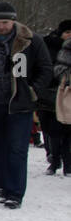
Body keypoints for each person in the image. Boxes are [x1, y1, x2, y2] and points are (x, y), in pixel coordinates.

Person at [0, 1, 52, 209]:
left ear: (13, 20)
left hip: (19, 103)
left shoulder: (31, 41)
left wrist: (32, 91)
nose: (1, 26)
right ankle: (0, 185)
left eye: (5, 22)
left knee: (17, 148)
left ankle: (15, 191)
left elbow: (46, 68)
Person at [38, 19, 71, 175]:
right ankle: (53, 157)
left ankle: (65, 162)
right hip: (49, 94)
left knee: (66, 130)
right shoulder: (47, 45)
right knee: (50, 130)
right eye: (67, 32)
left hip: (66, 94)